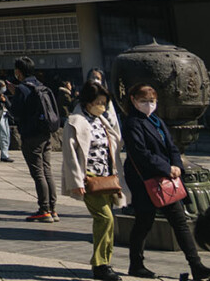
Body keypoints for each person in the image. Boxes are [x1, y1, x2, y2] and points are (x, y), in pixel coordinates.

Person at [122, 82, 210, 280]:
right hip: (145, 180)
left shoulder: (157, 121)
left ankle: (196, 264)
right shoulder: (132, 123)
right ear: (133, 100)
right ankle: (136, 264)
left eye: (152, 101)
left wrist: (177, 165)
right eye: (144, 101)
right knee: (144, 222)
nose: (149, 105)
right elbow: (140, 153)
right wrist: (166, 168)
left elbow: (171, 146)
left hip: (166, 179)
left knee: (179, 221)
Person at [62, 81, 124, 281]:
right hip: (89, 178)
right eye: (98, 102)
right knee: (105, 219)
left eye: (104, 103)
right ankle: (100, 264)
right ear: (87, 102)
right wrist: (76, 182)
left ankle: (105, 261)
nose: (102, 106)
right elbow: (69, 154)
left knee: (107, 221)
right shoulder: (75, 122)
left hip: (107, 178)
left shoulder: (102, 120)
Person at [9, 56, 60, 222]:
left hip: (31, 135)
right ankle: (53, 209)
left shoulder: (22, 89)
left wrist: (12, 96)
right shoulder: (42, 86)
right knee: (47, 170)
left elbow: (16, 113)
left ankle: (44, 209)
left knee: (38, 172)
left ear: (19, 72)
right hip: (46, 133)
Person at [85, 69, 120, 134]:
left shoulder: (107, 99)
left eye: (98, 78)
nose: (95, 80)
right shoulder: (83, 99)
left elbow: (113, 121)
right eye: (92, 78)